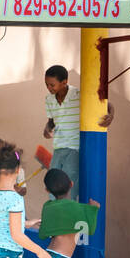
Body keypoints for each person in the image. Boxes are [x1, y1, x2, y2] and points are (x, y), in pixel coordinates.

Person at [43, 65, 113, 201]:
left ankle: (68, 213)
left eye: (52, 85)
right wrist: (47, 128)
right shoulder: (49, 99)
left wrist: (112, 115)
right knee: (52, 183)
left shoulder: (79, 95)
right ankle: (55, 212)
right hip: (58, 147)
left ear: (64, 82)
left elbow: (106, 104)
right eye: (46, 84)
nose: (49, 88)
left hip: (74, 148)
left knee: (69, 185)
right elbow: (51, 121)